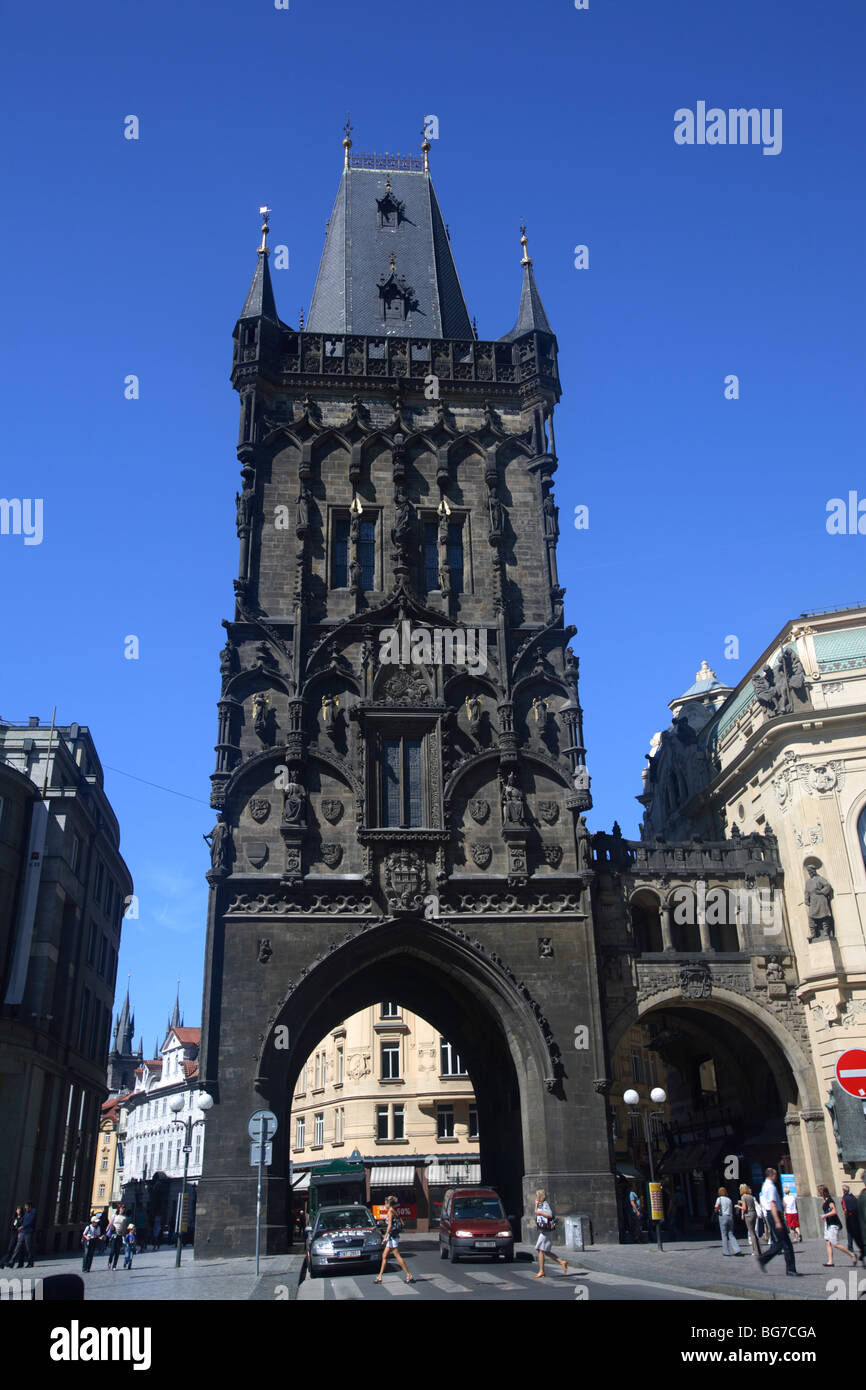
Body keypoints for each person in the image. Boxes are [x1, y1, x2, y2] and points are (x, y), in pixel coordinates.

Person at [758, 1167, 800, 1276]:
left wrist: (781, 1205)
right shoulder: (770, 1187)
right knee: (786, 1244)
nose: (776, 1177)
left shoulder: (765, 1186)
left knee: (780, 1243)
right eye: (775, 1175)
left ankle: (763, 1259)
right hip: (774, 1215)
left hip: (771, 1214)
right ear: (771, 1175)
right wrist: (777, 1221)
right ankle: (790, 1269)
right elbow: (772, 1204)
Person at [374, 1196, 414, 1285]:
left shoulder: (390, 1212)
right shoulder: (393, 1210)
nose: (384, 1205)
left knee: (397, 1255)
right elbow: (401, 1221)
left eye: (385, 1203)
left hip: (392, 1237)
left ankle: (408, 1275)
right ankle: (379, 1277)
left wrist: (385, 1237)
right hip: (393, 1237)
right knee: (384, 1256)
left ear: (388, 1204)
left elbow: (389, 1226)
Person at [818, 1186, 858, 1268]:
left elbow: (834, 1211)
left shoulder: (830, 1201)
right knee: (827, 1242)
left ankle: (852, 1254)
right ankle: (830, 1261)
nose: (818, 1193)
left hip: (833, 1224)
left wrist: (824, 1215)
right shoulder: (825, 1200)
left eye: (819, 1191)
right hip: (828, 1223)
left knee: (835, 1244)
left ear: (822, 1192)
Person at [532, 1189, 568, 1278]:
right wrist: (536, 1206)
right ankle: (561, 1262)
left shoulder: (545, 1204)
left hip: (546, 1231)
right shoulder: (540, 1205)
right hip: (544, 1230)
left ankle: (541, 1271)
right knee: (546, 1251)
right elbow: (536, 1212)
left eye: (536, 1196)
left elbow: (549, 1215)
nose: (535, 1197)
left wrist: (539, 1211)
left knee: (540, 1249)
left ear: (539, 1196)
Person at [714, 1187, 742, 1256]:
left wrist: (716, 1210)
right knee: (731, 1234)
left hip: (723, 1217)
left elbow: (716, 1206)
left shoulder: (719, 1199)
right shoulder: (729, 1199)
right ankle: (737, 1249)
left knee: (724, 1235)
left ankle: (726, 1251)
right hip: (730, 1217)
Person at [736, 1184, 762, 1258]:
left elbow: (744, 1208)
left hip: (748, 1215)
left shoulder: (743, 1197)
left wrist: (738, 1206)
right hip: (754, 1213)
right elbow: (749, 1205)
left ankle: (756, 1251)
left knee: (751, 1233)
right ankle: (758, 1249)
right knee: (754, 1232)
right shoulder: (751, 1196)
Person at [841, 1185, 864, 1261]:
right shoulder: (853, 1197)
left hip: (849, 1216)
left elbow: (845, 1209)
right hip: (856, 1216)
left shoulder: (844, 1198)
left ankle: (850, 1247)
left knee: (850, 1232)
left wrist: (846, 1215)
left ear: (844, 1191)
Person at [10, 1202, 36, 1269]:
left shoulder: (33, 1212)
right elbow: (23, 1221)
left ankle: (30, 1262)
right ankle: (11, 1262)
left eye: (26, 1206)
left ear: (29, 1206)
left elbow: (30, 1221)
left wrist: (23, 1226)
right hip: (22, 1232)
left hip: (28, 1232)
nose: (25, 1208)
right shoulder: (26, 1213)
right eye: (25, 1207)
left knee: (28, 1248)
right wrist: (20, 1231)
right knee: (17, 1247)